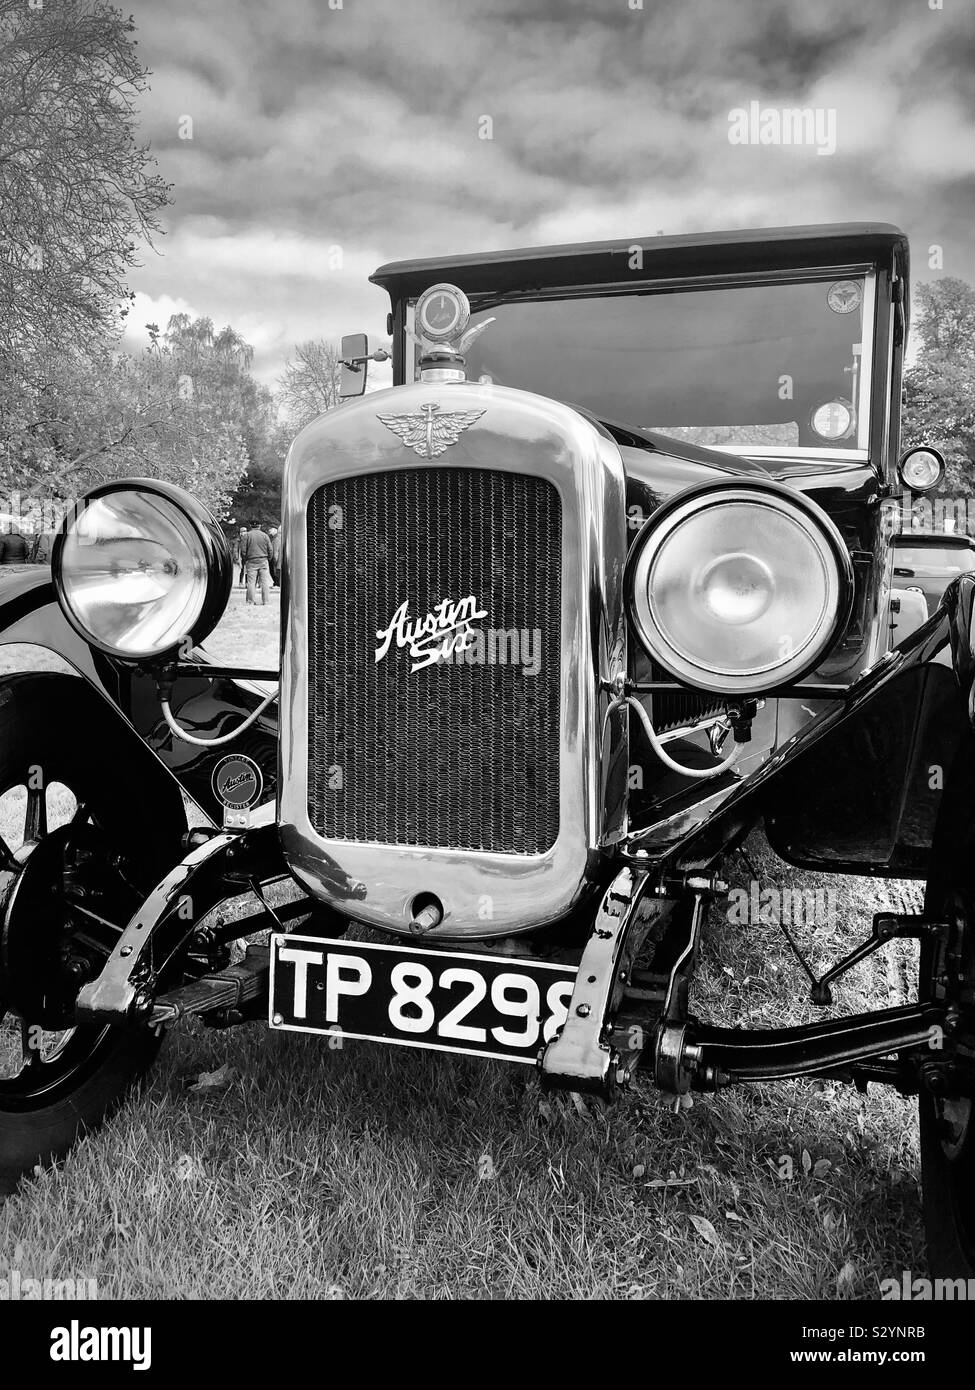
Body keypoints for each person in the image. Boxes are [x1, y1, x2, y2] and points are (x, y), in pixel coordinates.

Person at [241, 522, 273, 605]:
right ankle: (265, 601)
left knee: (251, 582)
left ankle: (250, 601)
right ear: (260, 526)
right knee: (265, 582)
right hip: (263, 560)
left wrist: (245, 560)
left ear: (251, 526)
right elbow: (270, 549)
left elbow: (243, 550)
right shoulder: (265, 536)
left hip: (251, 561)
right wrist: (268, 558)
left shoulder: (246, 536)